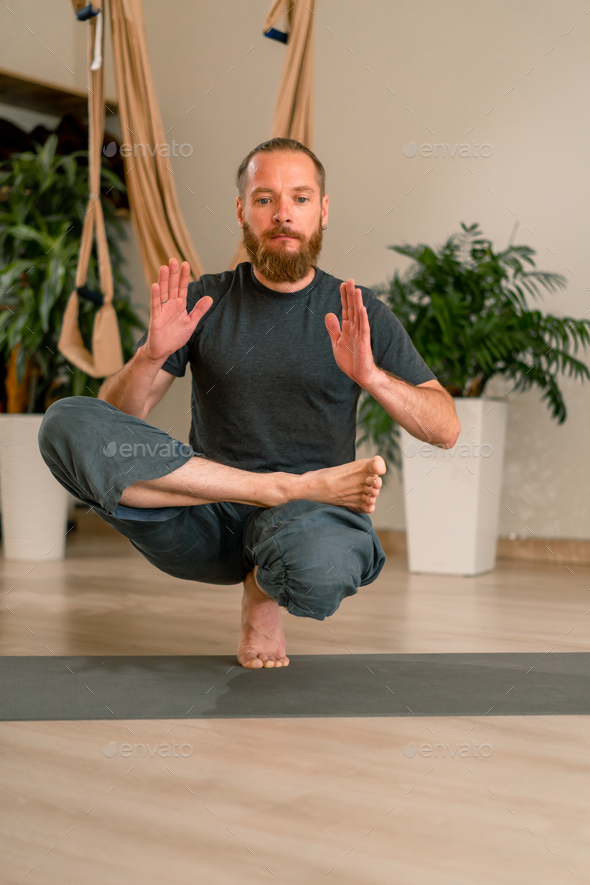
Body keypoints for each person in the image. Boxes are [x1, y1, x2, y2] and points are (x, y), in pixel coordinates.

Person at [38, 137, 460, 670]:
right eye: (265, 199)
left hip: (311, 517)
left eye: (301, 199)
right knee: (64, 422)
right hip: (204, 517)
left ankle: (265, 587)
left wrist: (372, 376)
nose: (283, 215)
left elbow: (445, 428)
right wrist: (149, 355)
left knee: (318, 576)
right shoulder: (202, 300)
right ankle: (275, 491)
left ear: (323, 211)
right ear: (242, 210)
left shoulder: (359, 311)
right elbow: (116, 424)